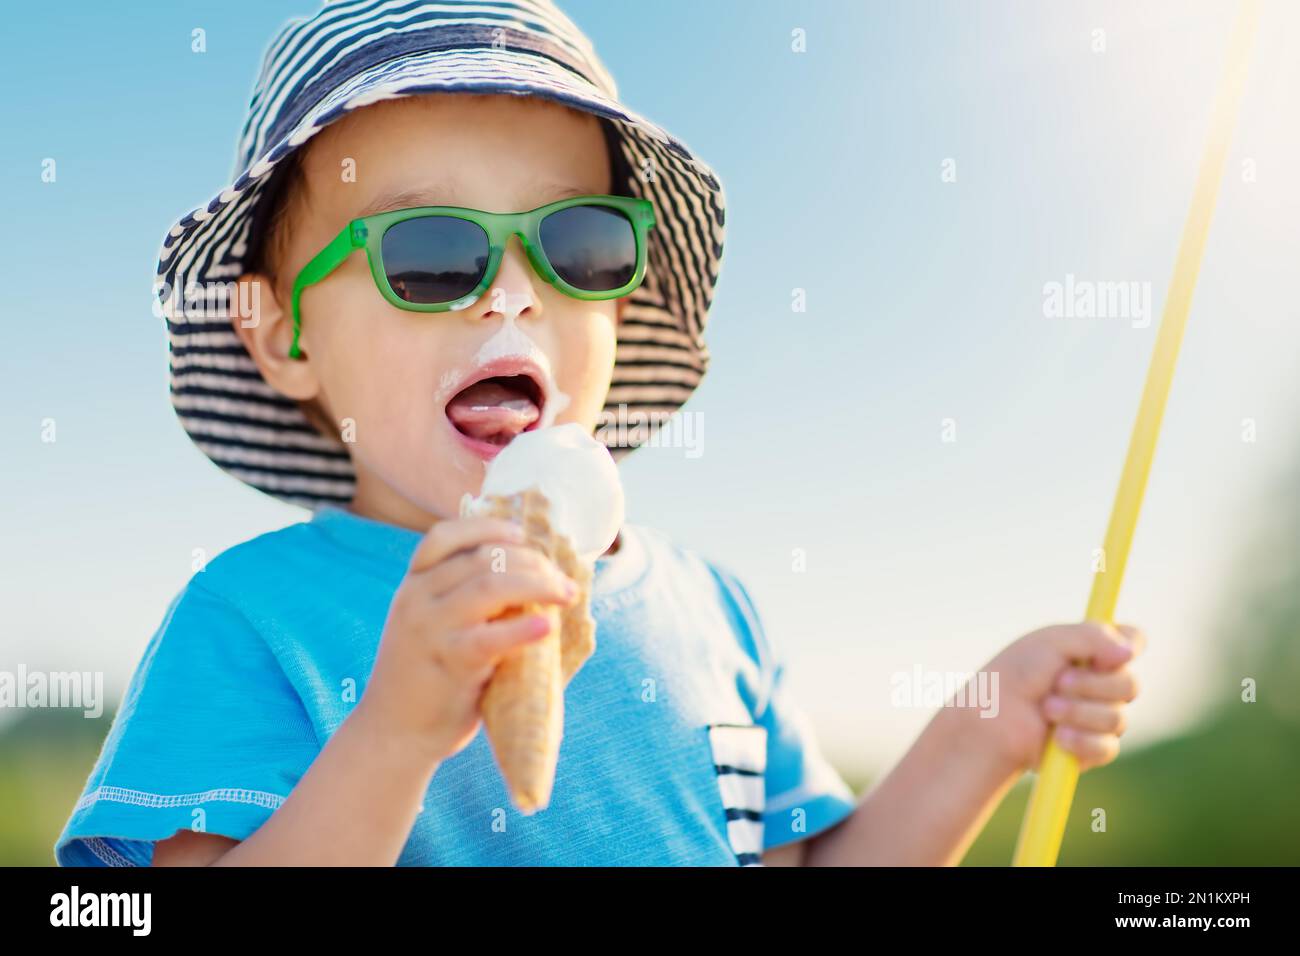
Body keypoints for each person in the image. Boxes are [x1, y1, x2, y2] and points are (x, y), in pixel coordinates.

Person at [54, 0, 1143, 867]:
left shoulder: (713, 608)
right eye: (432, 252)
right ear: (282, 329)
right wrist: (393, 735)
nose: (514, 294)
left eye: (575, 245)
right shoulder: (248, 617)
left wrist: (981, 733)